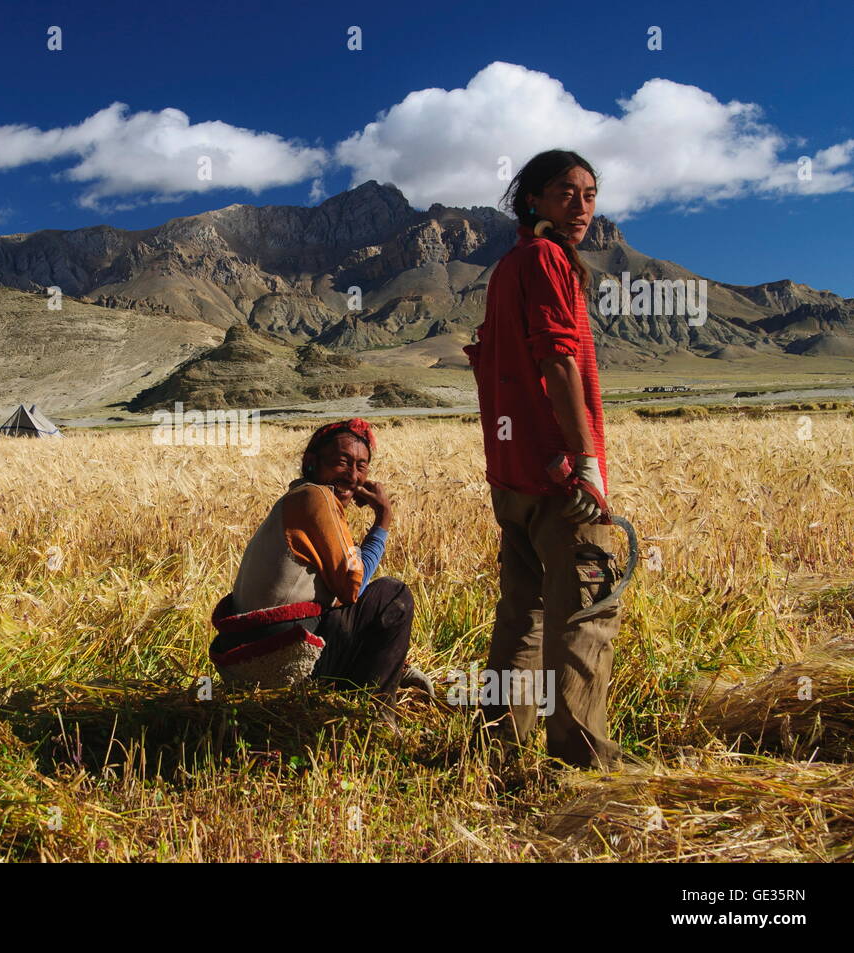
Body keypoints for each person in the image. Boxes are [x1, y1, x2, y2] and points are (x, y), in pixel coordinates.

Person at [462, 149, 623, 770]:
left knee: (523, 617)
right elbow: (558, 360)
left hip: (513, 477)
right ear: (533, 200)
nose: (581, 206)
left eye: (589, 193)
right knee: (585, 616)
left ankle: (498, 752)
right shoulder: (548, 260)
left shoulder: (508, 268)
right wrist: (586, 460)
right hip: (558, 478)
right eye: (565, 192)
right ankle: (582, 767)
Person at [208, 418, 432, 715]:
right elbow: (353, 587)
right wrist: (383, 519)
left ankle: (385, 674)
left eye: (361, 466)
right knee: (392, 595)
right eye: (342, 462)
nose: (352, 475)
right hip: (280, 655)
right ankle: (375, 715)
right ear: (311, 462)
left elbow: (336, 593)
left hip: (247, 655)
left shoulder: (298, 497)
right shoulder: (317, 496)